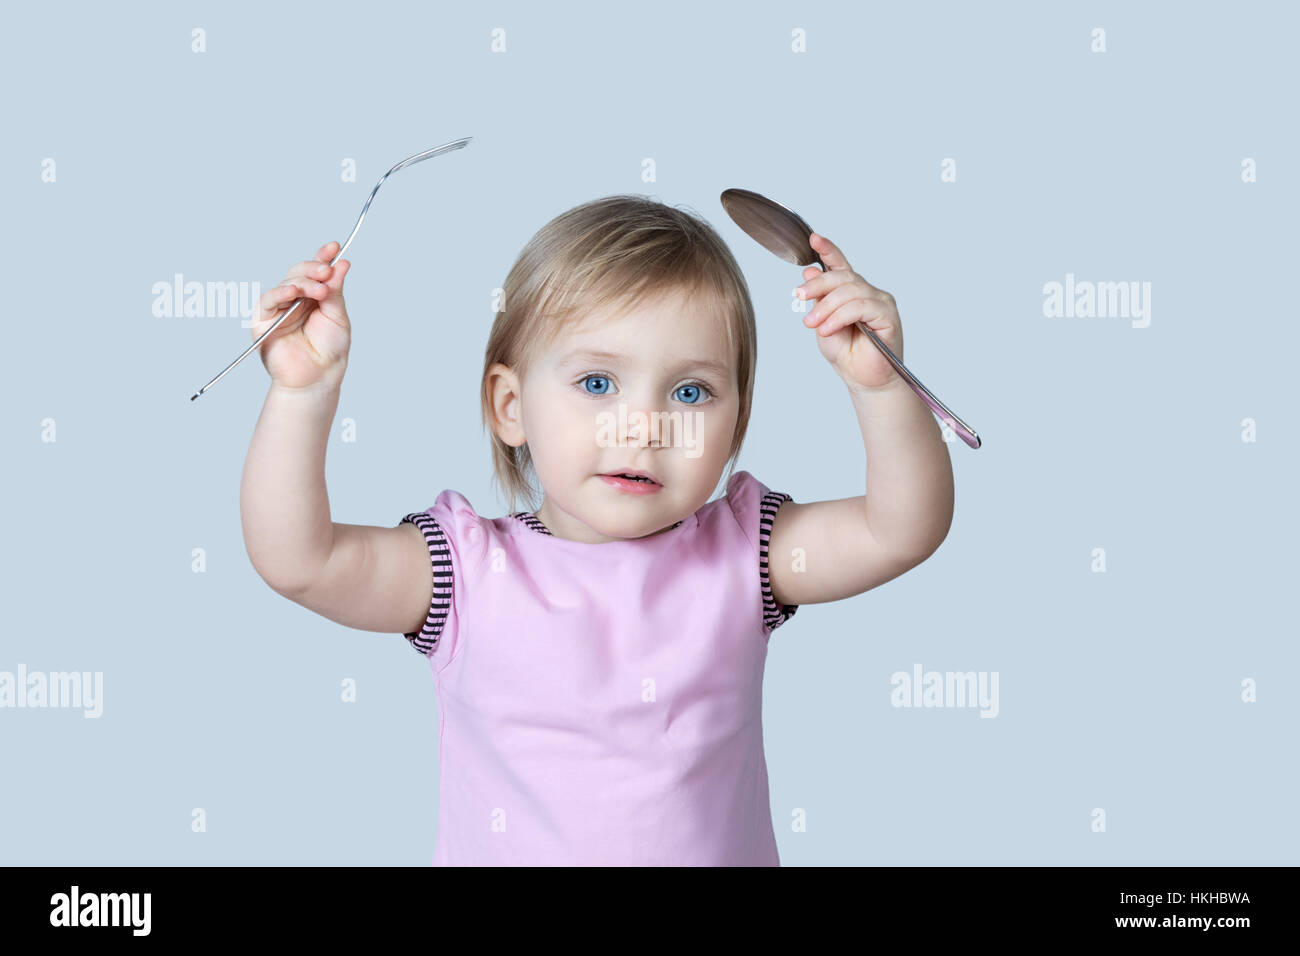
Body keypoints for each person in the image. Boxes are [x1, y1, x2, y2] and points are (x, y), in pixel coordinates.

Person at [241, 194, 955, 865]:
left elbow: (902, 530)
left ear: (737, 423)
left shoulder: (747, 553)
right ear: (511, 406)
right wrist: (303, 394)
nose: (642, 427)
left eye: (690, 392)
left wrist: (881, 387)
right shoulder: (463, 573)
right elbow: (300, 560)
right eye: (597, 384)